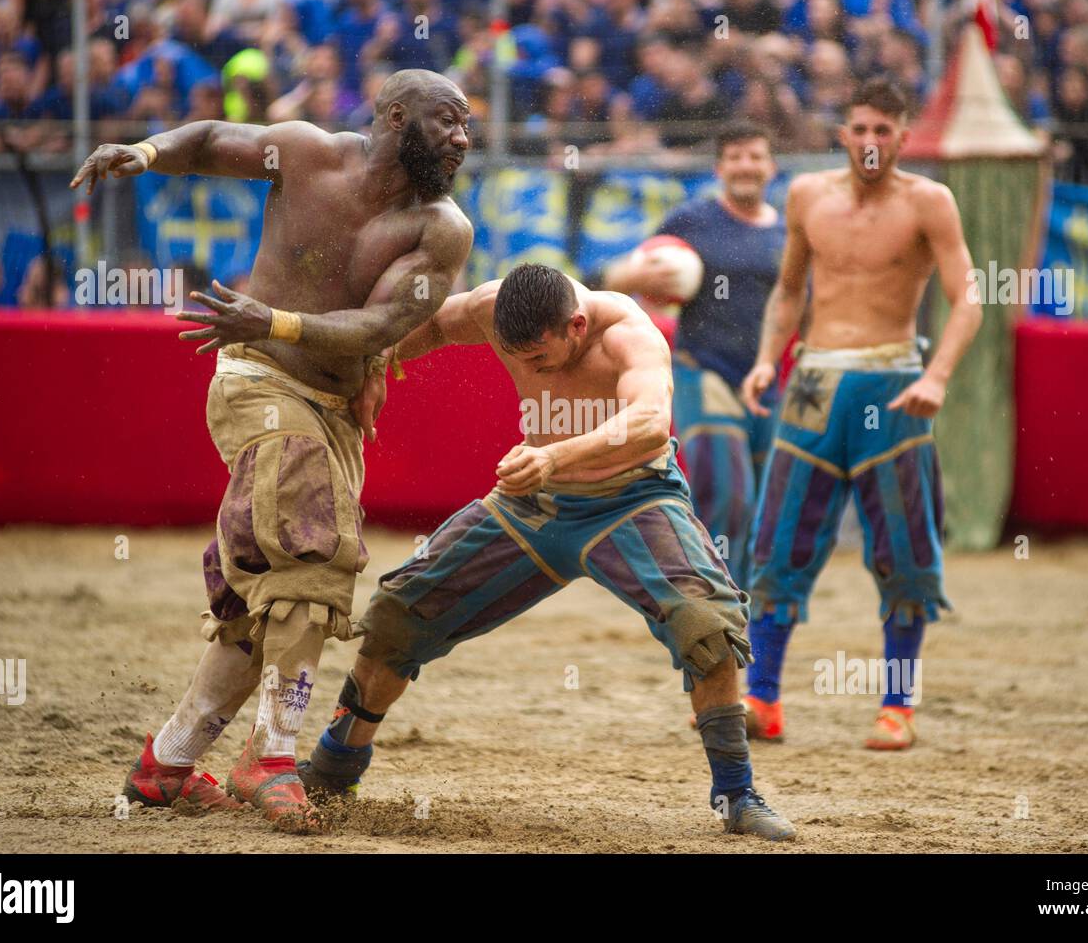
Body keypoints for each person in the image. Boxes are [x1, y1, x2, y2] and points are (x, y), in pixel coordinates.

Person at [68, 69, 473, 831]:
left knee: (270, 596)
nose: (461, 139)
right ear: (394, 116)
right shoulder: (305, 152)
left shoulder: (442, 227)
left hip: (328, 405)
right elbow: (213, 140)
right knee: (313, 561)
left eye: (468, 127)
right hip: (256, 382)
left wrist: (285, 324)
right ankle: (271, 755)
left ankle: (168, 764)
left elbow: (383, 325)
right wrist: (147, 151)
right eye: (447, 121)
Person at [285, 263, 795, 841]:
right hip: (533, 504)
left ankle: (736, 793)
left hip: (632, 499)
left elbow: (651, 422)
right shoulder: (490, 306)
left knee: (708, 623)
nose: (526, 371)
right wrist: (378, 365)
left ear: (576, 326)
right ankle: (335, 766)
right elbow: (431, 327)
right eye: (516, 358)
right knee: (400, 609)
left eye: (539, 360)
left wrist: (554, 456)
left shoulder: (630, 333)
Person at [738, 78, 981, 749]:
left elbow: (970, 298)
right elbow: (788, 292)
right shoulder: (807, 195)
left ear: (903, 138)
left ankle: (897, 707)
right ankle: (762, 699)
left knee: (903, 549)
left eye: (884, 131)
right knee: (778, 541)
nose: (871, 142)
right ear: (842, 134)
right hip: (813, 381)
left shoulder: (931, 202)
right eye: (860, 129)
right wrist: (767, 359)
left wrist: (937, 375)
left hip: (893, 381)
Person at [604, 120, 786, 591]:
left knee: (767, 501)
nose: (746, 165)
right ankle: (706, 595)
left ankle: (744, 604)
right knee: (727, 494)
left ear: (772, 166)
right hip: (700, 371)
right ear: (719, 167)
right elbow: (617, 276)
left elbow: (800, 302)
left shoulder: (788, 232)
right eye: (736, 157)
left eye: (755, 156)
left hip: (766, 380)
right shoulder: (691, 221)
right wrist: (635, 276)